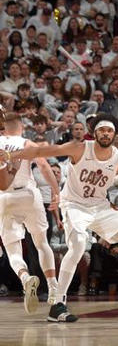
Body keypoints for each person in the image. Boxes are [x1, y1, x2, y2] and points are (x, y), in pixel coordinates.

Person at [3, 114, 118, 322]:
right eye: (102, 130)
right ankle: (57, 305)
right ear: (94, 133)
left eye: (110, 130)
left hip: (100, 207)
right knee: (77, 244)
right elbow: (42, 150)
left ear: (115, 134)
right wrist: (12, 156)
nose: (106, 133)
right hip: (74, 205)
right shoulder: (80, 148)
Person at [0, 112, 59, 314]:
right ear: (21, 127)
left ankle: (26, 279)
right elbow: (43, 166)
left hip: (4, 197)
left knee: (12, 247)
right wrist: (56, 192)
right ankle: (53, 287)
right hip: (28, 193)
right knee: (41, 242)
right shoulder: (27, 144)